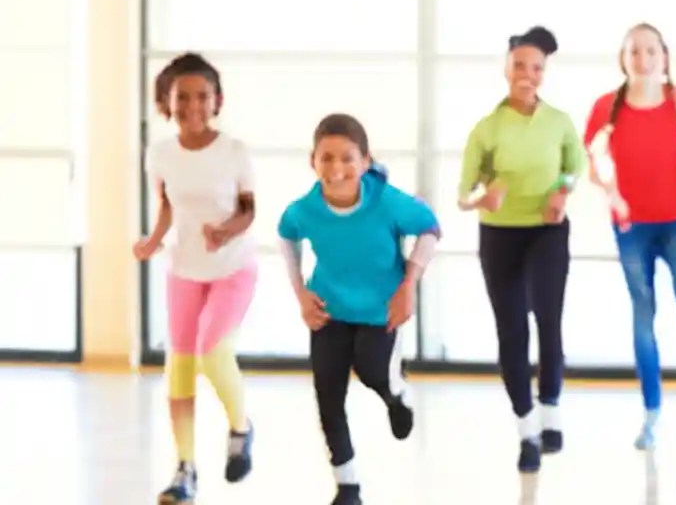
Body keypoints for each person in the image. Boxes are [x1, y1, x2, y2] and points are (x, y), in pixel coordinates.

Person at [582, 23, 676, 451]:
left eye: (650, 51)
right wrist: (611, 193)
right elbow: (590, 159)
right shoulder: (604, 108)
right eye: (634, 51)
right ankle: (650, 414)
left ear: (664, 57)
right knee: (643, 315)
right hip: (631, 229)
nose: (643, 59)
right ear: (623, 59)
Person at [277, 113, 441, 505]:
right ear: (312, 161)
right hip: (329, 310)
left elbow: (430, 227)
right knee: (327, 395)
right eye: (326, 158)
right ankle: (347, 485)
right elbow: (286, 239)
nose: (336, 169)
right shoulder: (303, 210)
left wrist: (408, 284)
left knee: (371, 371)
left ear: (365, 161)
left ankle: (394, 394)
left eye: (347, 158)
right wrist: (300, 292)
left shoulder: (386, 200)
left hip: (381, 310)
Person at [457, 25, 587, 473]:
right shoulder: (486, 129)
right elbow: (463, 192)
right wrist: (482, 198)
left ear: (544, 73)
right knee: (512, 330)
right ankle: (527, 430)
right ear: (506, 69)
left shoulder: (559, 122)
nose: (527, 74)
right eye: (519, 66)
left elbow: (576, 166)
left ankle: (551, 414)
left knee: (548, 321)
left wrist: (561, 192)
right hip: (499, 236)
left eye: (536, 67)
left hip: (548, 231)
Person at [133, 53, 258, 505]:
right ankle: (184, 469)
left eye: (202, 96)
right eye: (181, 97)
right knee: (179, 369)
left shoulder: (234, 151)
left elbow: (248, 210)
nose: (192, 105)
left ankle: (241, 428)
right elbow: (167, 205)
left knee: (212, 351)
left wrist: (225, 231)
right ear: (166, 102)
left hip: (233, 268)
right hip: (183, 269)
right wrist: (152, 240)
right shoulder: (160, 154)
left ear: (217, 100)